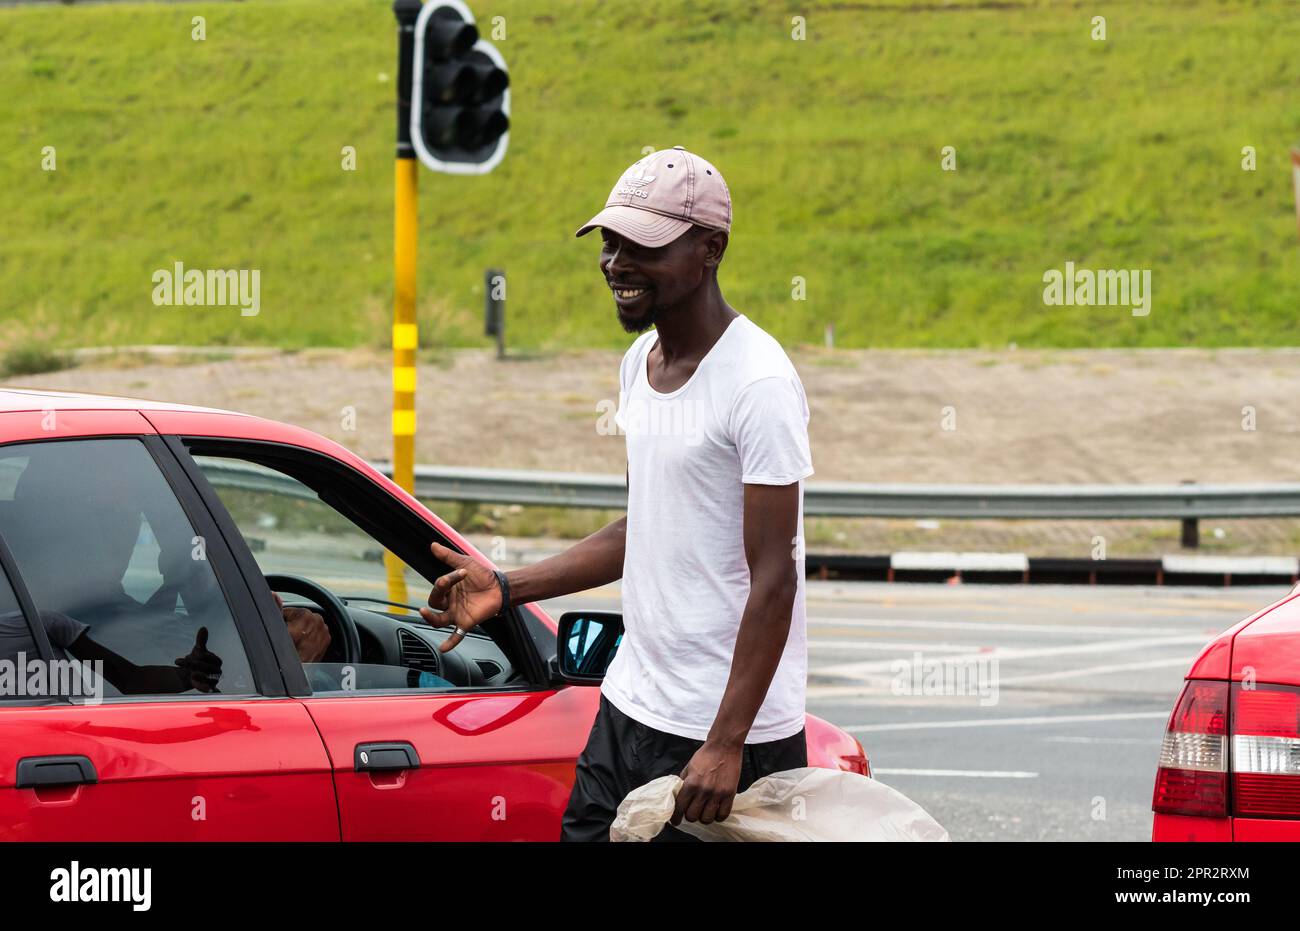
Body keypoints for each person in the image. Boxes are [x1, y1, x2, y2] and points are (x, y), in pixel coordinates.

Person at [422, 147, 814, 841]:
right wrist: (508, 586)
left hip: (722, 740)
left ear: (710, 249)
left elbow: (775, 578)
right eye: (610, 242)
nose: (616, 262)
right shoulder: (641, 363)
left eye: (643, 246)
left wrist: (724, 743)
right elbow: (647, 527)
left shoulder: (759, 383)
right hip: (629, 710)